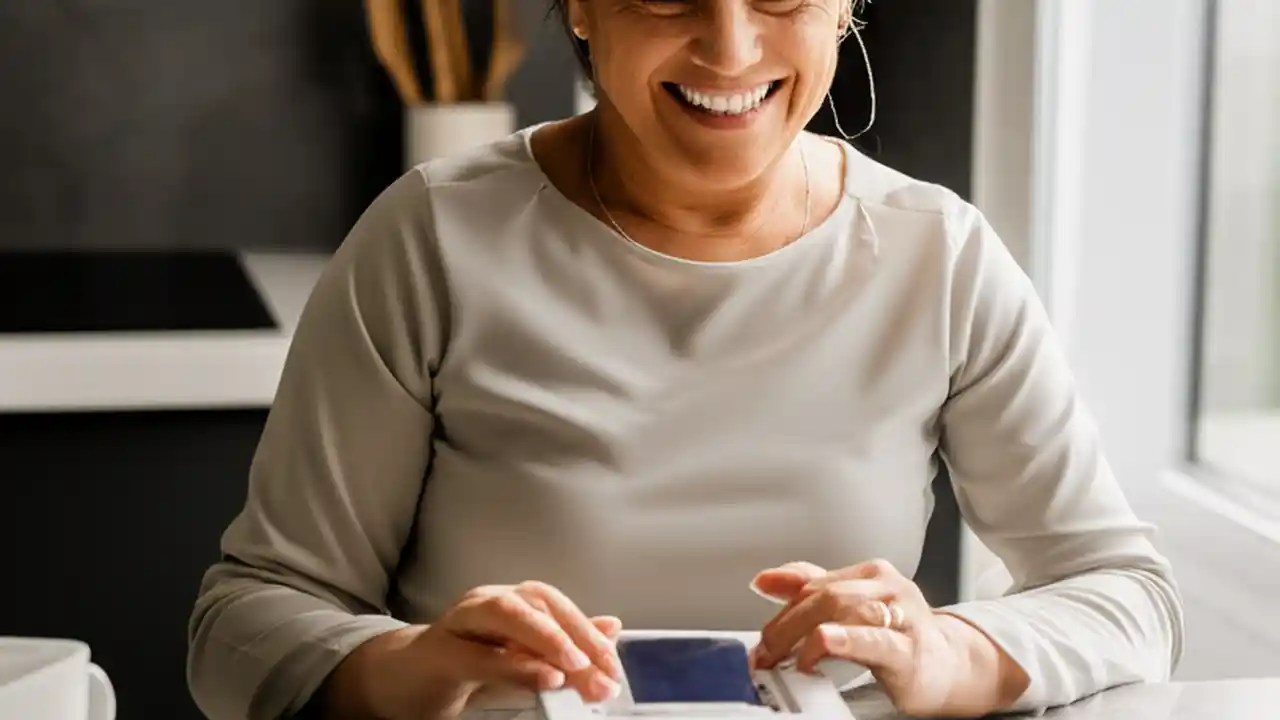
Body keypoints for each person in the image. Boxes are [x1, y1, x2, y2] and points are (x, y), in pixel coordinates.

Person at [186, 1, 1184, 718]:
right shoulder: (431, 238)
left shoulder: (938, 251)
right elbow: (243, 623)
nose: (729, 43)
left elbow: (1122, 592)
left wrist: (946, 654)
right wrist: (416, 667)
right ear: (580, 10)